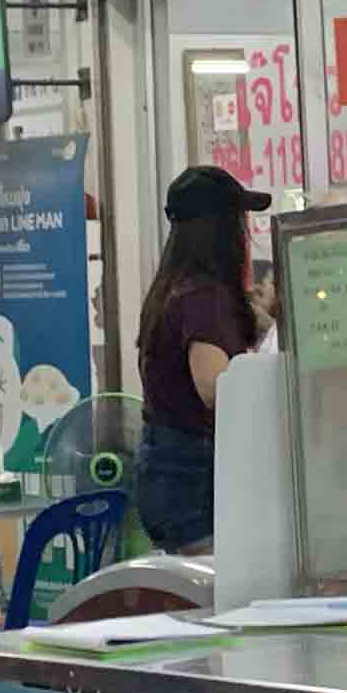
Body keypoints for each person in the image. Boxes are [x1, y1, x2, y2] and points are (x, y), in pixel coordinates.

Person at [132, 165, 265, 555]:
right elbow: (214, 387)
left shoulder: (173, 289)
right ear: (221, 231)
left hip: (167, 470)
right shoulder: (205, 297)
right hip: (193, 481)